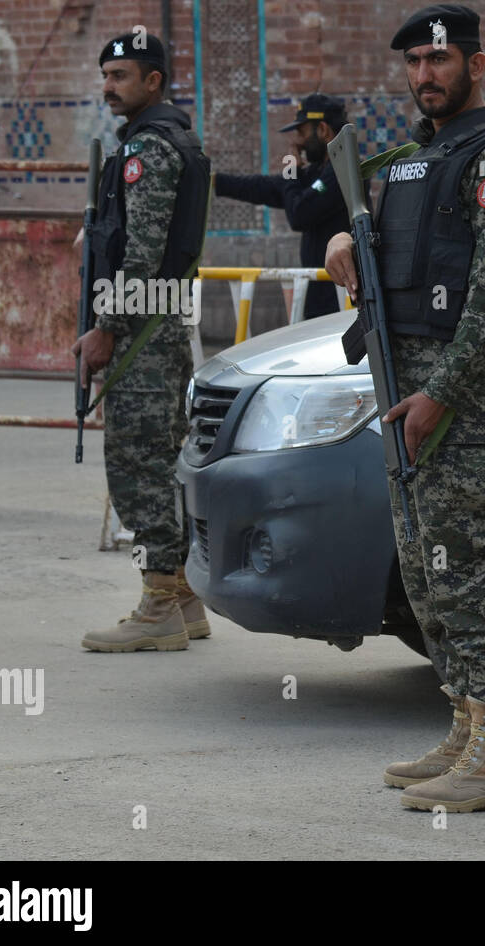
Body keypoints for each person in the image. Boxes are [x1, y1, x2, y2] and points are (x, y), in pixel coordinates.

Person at [326, 3, 485, 812]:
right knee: (425, 567)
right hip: (403, 391)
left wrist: (441, 394)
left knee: (469, 565)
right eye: (415, 63)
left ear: (475, 66)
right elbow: (405, 262)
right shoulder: (415, 158)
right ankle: (466, 722)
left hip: (456, 400)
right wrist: (346, 243)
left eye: (440, 61)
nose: (425, 76)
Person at [73, 33, 212, 652]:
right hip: (155, 328)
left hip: (142, 335)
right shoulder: (160, 140)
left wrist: (106, 328)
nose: (109, 85)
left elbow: (143, 254)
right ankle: (182, 599)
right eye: (106, 74)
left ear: (153, 80)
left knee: (137, 469)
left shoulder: (148, 149)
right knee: (157, 461)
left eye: (121, 75)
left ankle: (158, 603)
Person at [214, 93, 357, 319]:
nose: (296, 142)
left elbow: (299, 213)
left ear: (322, 129)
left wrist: (292, 164)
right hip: (321, 295)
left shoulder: (343, 170)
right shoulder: (318, 171)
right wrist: (216, 182)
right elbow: (273, 187)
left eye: (301, 132)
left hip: (340, 300)